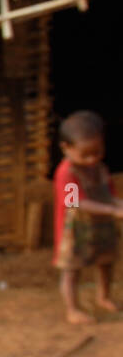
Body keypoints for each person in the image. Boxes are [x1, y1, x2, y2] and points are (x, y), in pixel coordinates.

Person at [52, 110, 123, 324]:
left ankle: (103, 297)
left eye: (98, 152)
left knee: (105, 262)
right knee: (72, 270)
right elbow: (76, 202)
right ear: (66, 148)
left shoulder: (100, 169)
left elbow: (110, 196)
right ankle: (72, 309)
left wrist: (119, 205)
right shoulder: (67, 173)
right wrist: (113, 211)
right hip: (75, 230)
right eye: (86, 154)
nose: (92, 159)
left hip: (101, 226)